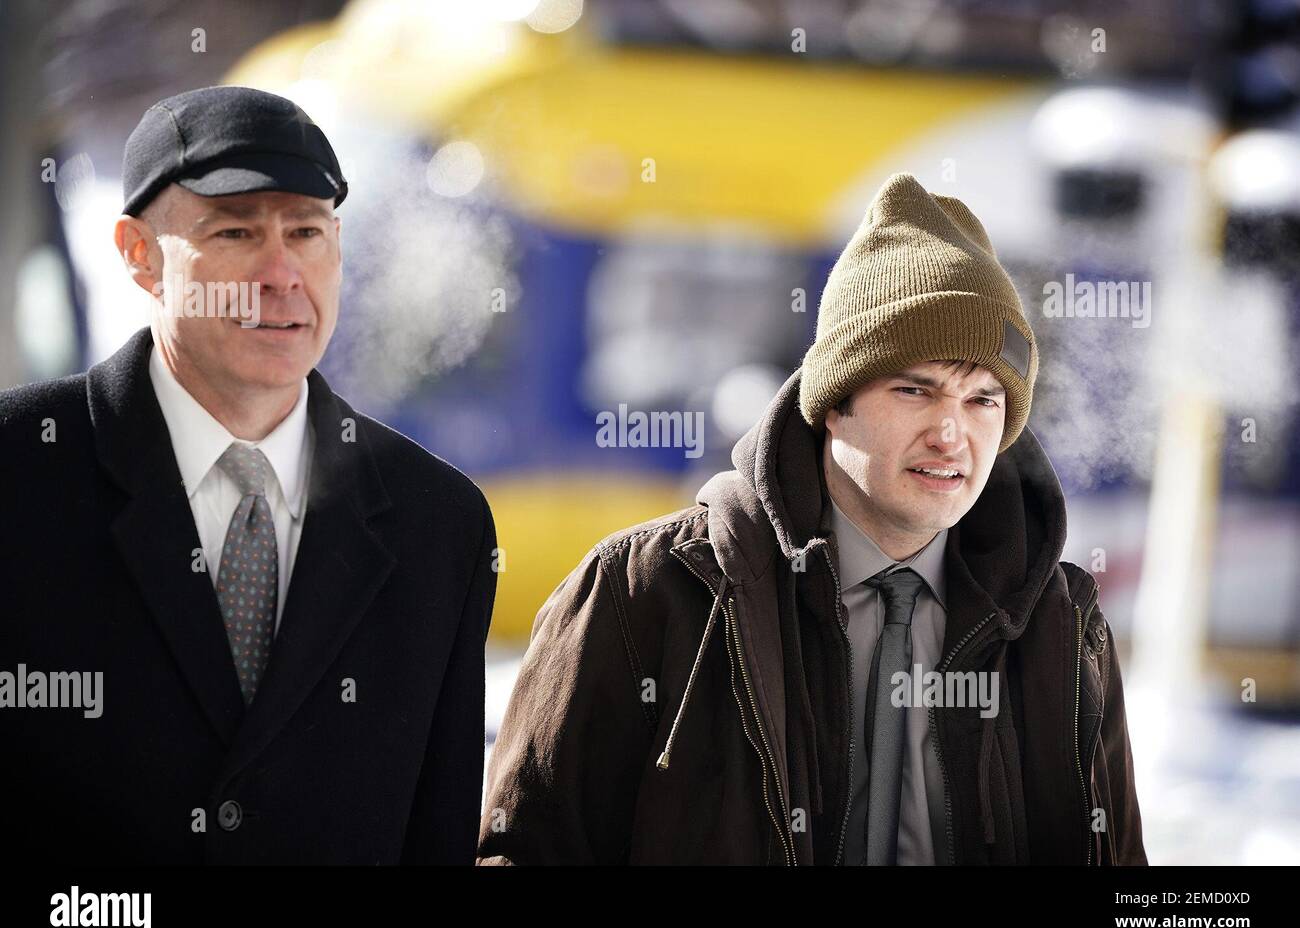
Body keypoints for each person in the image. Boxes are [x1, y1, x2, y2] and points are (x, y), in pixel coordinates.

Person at [478, 172, 1145, 865]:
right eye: (915, 390)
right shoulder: (646, 591)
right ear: (833, 403)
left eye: (982, 400)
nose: (952, 434)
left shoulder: (1065, 627)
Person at [0, 86, 496, 864]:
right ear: (139, 255)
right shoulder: (20, 472)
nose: (281, 272)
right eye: (234, 231)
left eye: (307, 232)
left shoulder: (439, 524)